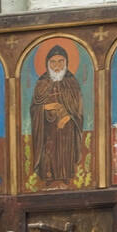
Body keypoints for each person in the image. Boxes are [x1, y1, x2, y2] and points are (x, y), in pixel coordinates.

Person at [29, 44, 84, 185]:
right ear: (48, 63)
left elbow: (77, 109)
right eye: (53, 62)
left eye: (61, 61)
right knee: (49, 150)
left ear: (66, 62)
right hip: (47, 127)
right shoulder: (41, 83)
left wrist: (67, 118)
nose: (57, 65)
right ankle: (48, 176)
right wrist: (47, 106)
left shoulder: (72, 82)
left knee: (65, 150)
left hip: (67, 126)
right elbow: (35, 108)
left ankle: (66, 175)